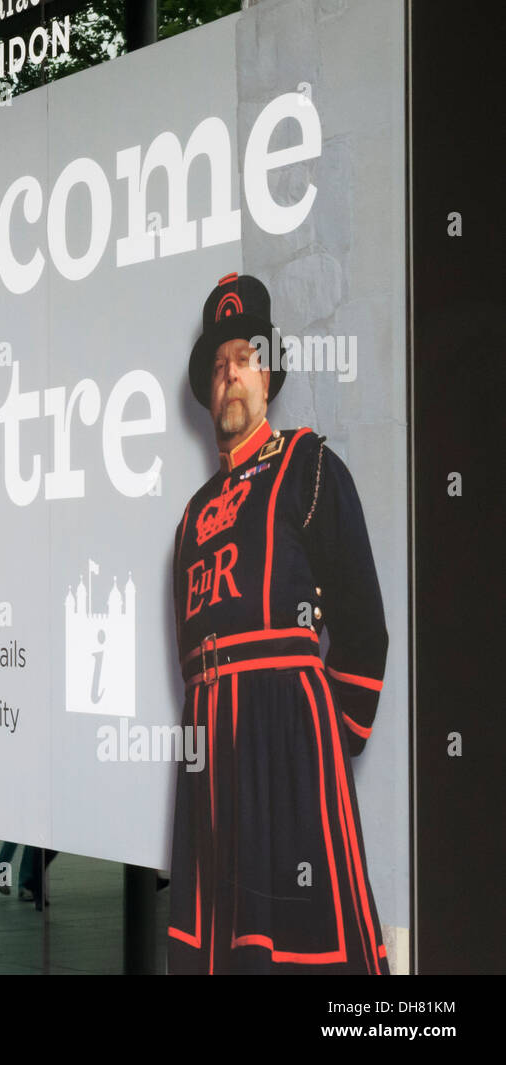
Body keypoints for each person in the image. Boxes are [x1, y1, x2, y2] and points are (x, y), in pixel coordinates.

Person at [169, 273, 388, 974]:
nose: (230, 374)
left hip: (287, 748)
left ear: (267, 374)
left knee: (299, 947)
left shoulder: (309, 466)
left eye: (244, 357)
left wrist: (319, 739)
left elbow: (363, 623)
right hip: (212, 754)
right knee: (220, 943)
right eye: (218, 364)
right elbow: (189, 654)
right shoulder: (191, 516)